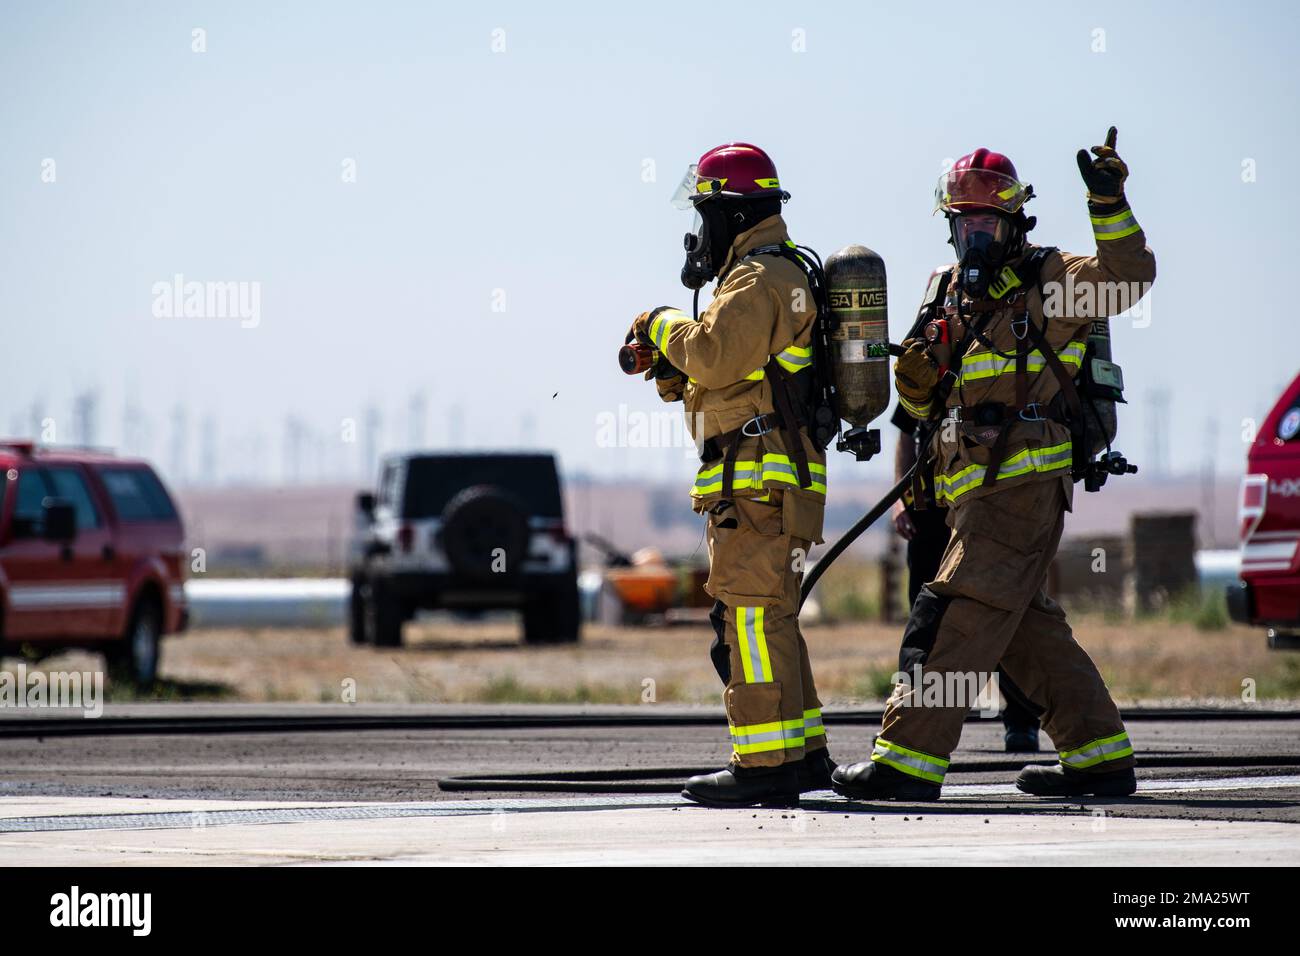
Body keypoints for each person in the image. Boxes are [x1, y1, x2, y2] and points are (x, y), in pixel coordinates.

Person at [833, 129, 1155, 801]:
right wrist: (918, 378)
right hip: (966, 497)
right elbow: (922, 403)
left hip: (1022, 488)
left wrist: (1108, 203)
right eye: (965, 222)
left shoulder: (1050, 281)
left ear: (1015, 220)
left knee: (951, 614)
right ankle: (1099, 755)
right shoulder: (943, 293)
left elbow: (1127, 280)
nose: (975, 234)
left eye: (988, 220)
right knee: (1022, 632)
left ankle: (906, 762)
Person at [629, 143, 835, 808]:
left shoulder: (757, 280)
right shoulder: (771, 275)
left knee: (748, 619)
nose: (700, 230)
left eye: (707, 214)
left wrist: (660, 323)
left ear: (735, 212)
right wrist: (670, 365)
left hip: (756, 485)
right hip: (769, 482)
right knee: (772, 620)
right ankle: (803, 755)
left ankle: (764, 764)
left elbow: (713, 357)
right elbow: (724, 379)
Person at [891, 404, 1043, 752]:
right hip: (928, 516)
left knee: (1001, 612)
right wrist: (901, 501)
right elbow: (905, 433)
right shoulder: (923, 364)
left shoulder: (978, 359)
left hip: (980, 511)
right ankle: (914, 723)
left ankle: (1022, 723)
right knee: (925, 623)